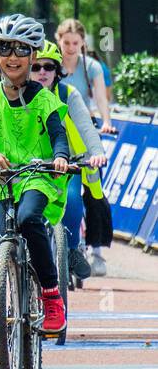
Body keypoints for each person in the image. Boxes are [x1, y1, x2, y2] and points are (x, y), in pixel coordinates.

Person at [0, 14, 70, 339]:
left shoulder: (45, 99)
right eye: (4, 48)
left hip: (37, 176)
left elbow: (59, 135)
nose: (12, 56)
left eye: (20, 49)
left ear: (33, 55)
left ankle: (52, 295)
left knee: (29, 219)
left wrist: (59, 157)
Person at [29, 42, 109, 280]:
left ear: (57, 71)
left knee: (73, 202)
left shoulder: (68, 95)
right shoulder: (17, 94)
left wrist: (96, 152)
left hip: (67, 164)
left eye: (49, 67)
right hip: (28, 165)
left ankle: (72, 250)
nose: (42, 72)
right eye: (36, 67)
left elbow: (86, 126)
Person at [56, 19, 115, 136]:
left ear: (83, 42)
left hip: (84, 124)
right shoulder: (49, 66)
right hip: (56, 125)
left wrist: (107, 122)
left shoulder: (93, 66)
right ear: (59, 41)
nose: (71, 48)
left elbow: (101, 99)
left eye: (75, 43)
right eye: (66, 43)